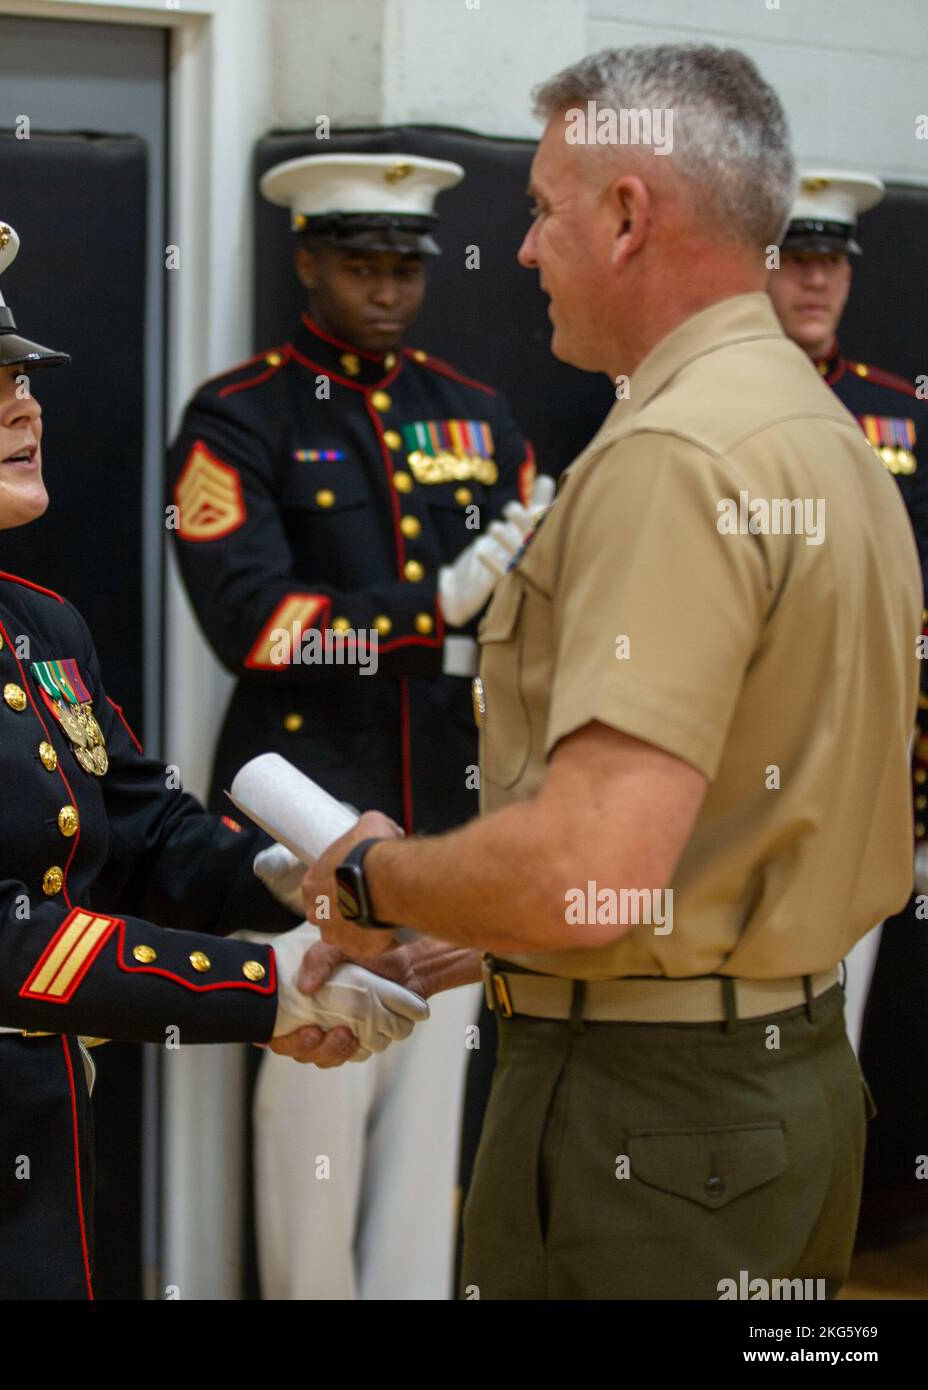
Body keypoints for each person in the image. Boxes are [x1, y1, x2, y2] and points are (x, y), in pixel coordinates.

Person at [295, 44, 921, 1299]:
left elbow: (589, 871)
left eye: (539, 209)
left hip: (649, 1122)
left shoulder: (671, 459)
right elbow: (722, 828)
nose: (521, 249)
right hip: (789, 1086)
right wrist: (468, 931)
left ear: (628, 217)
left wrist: (370, 874)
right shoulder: (824, 435)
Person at [0, 221, 425, 1301]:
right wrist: (269, 989)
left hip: (34, 1123)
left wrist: (290, 884)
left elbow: (146, 832)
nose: (23, 405)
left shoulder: (40, 620)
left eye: (21, 378)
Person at [166, 153, 544, 1298]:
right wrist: (431, 608)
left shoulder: (474, 415)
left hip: (445, 817)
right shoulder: (237, 416)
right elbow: (256, 626)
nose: (384, 289)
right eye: (357, 264)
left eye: (401, 267)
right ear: (306, 261)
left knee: (432, 1133)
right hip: (308, 833)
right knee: (313, 1120)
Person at [768, 172, 928, 1248]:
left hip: (874, 779)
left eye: (833, 257)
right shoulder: (682, 402)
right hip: (746, 794)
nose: (817, 275)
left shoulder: (897, 410)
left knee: (839, 1044)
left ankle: (807, 1270)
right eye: (795, 252)